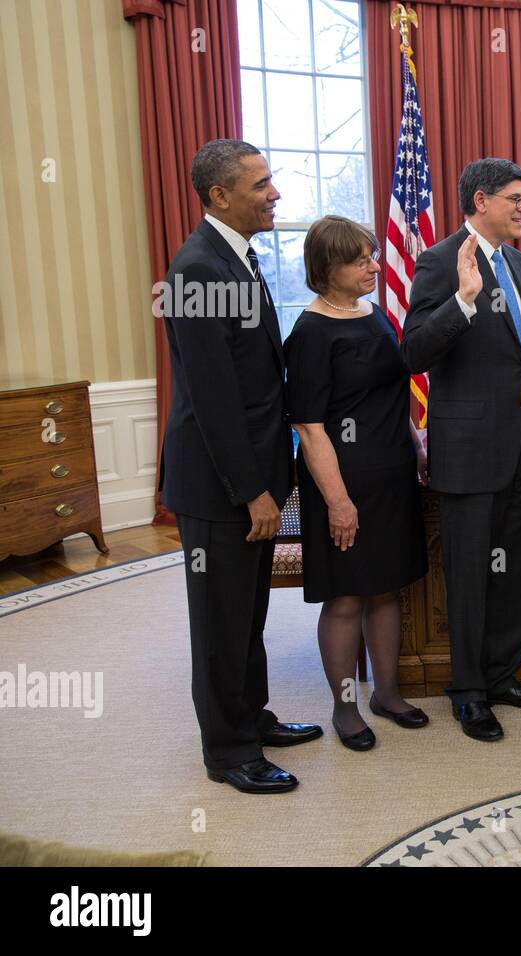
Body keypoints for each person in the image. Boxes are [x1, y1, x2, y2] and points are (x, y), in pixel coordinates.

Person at [159, 139, 320, 794]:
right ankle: (228, 753)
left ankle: (252, 717)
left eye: (270, 181)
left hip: (252, 474)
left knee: (248, 611)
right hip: (220, 482)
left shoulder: (237, 258)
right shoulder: (197, 270)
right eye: (260, 185)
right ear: (219, 196)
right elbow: (215, 397)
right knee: (221, 623)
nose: (274, 193)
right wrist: (253, 490)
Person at [400, 158, 521, 743]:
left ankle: (501, 675)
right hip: (467, 449)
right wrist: (463, 301)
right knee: (469, 572)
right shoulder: (440, 262)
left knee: (512, 566)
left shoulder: (519, 263)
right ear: (482, 200)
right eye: (516, 198)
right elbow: (413, 351)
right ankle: (468, 692)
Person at [286, 215, 430, 751]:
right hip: (341, 483)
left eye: (373, 255)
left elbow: (393, 397)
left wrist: (415, 449)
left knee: (387, 587)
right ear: (328, 269)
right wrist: (338, 502)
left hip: (391, 473)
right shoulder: (309, 332)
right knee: (346, 597)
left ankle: (387, 694)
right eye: (361, 260)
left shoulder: (374, 316)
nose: (374, 265)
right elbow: (309, 425)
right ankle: (345, 706)